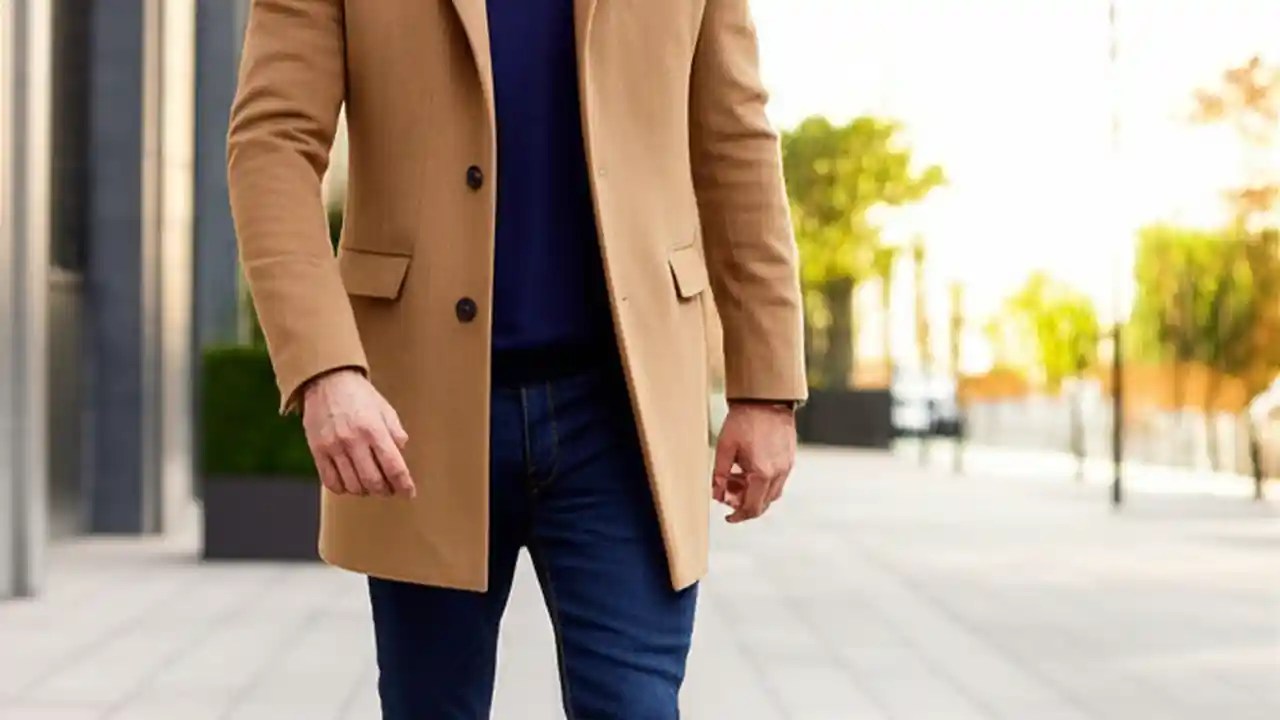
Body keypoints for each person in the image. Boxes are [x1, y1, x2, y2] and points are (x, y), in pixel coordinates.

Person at [226, 0, 805, 716]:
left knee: (635, 706)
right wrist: (324, 366)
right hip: (422, 417)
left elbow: (735, 143)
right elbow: (272, 143)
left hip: (626, 419)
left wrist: (766, 387)